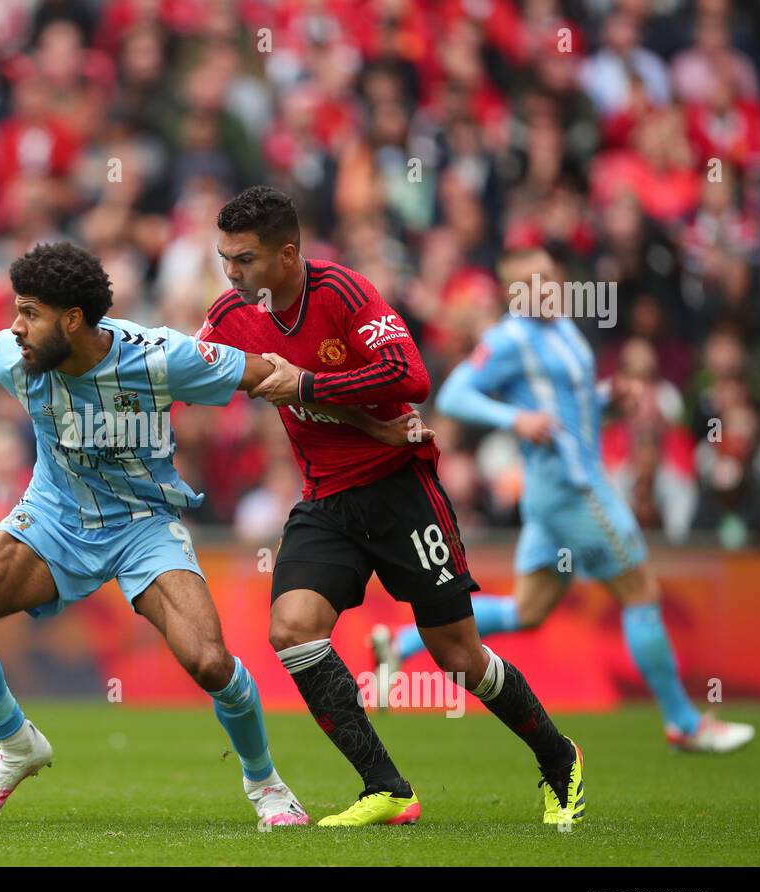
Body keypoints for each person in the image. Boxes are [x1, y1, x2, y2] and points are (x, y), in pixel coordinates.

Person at [0, 240, 419, 826]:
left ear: (73, 320)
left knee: (211, 663)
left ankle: (265, 784)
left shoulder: (161, 356)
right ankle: (18, 744)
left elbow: (273, 379)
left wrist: (374, 426)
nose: (16, 327)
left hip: (144, 528)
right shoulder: (16, 355)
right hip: (54, 521)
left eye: (30, 313)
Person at [200, 186, 584, 827]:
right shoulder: (227, 314)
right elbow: (184, 367)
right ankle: (388, 788)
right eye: (224, 259)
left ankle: (559, 757)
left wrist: (308, 384)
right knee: (292, 629)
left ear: (288, 254)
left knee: (457, 656)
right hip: (325, 498)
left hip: (402, 492)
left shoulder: (343, 292)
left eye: (243, 260)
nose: (231, 274)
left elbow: (412, 376)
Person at [376, 245, 753, 755]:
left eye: (549, 277)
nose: (544, 289)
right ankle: (684, 722)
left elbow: (568, 408)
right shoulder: (509, 339)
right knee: (640, 589)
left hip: (554, 495)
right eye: (530, 283)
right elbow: (456, 394)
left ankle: (402, 642)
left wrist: (606, 401)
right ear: (515, 294)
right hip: (573, 490)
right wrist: (516, 421)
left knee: (528, 611)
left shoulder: (566, 330)